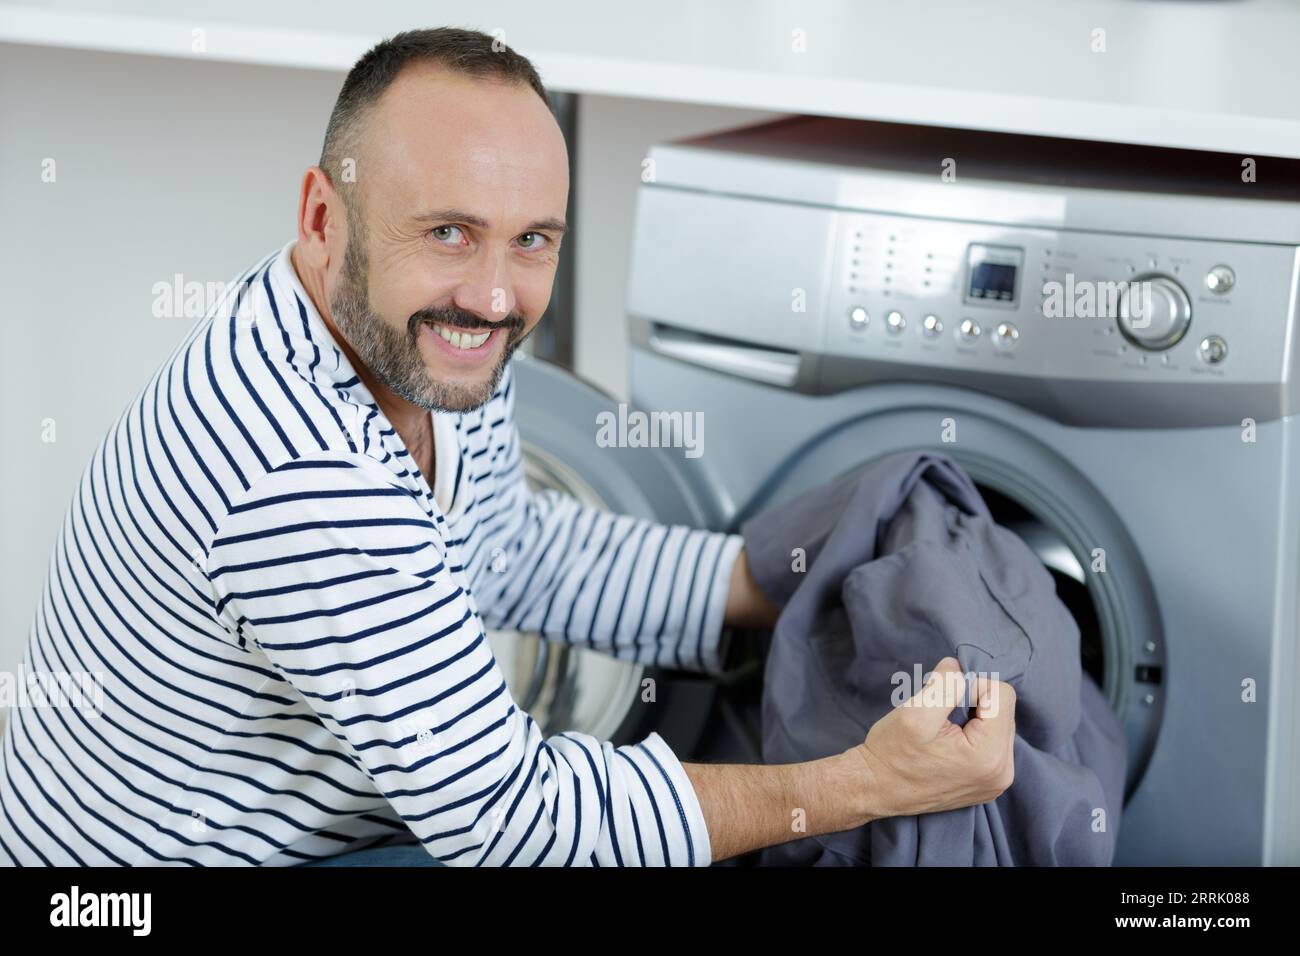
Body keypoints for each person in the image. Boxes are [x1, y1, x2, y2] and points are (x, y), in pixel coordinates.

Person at [0, 27, 1015, 867]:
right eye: (447, 230)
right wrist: (866, 783)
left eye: (532, 238)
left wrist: (787, 575)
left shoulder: (422, 343)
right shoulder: (299, 476)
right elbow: (512, 820)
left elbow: (511, 551)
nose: (494, 295)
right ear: (322, 215)